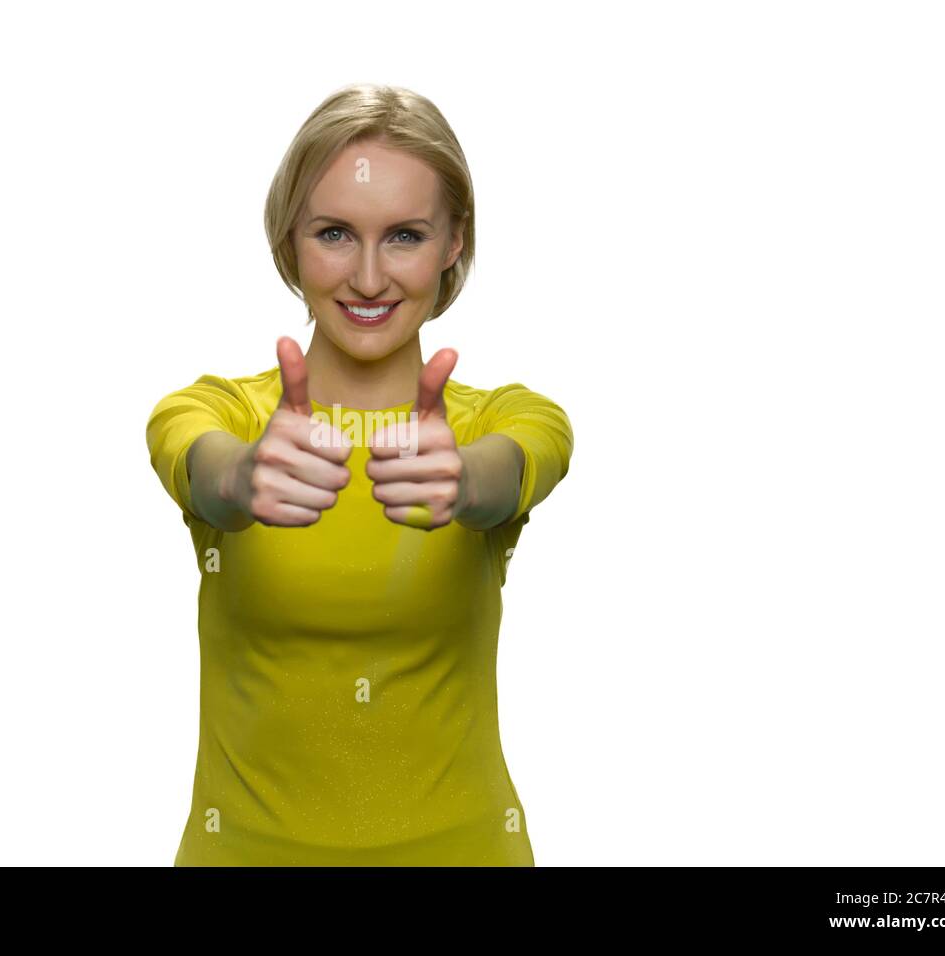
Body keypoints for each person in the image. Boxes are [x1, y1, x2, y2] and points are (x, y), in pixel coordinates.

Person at [146, 84, 573, 865]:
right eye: (336, 233)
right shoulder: (222, 417)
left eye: (405, 235)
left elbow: (516, 467)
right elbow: (199, 463)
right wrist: (241, 480)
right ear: (288, 240)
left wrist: (466, 484)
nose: (370, 279)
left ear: (454, 244)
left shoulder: (501, 423)